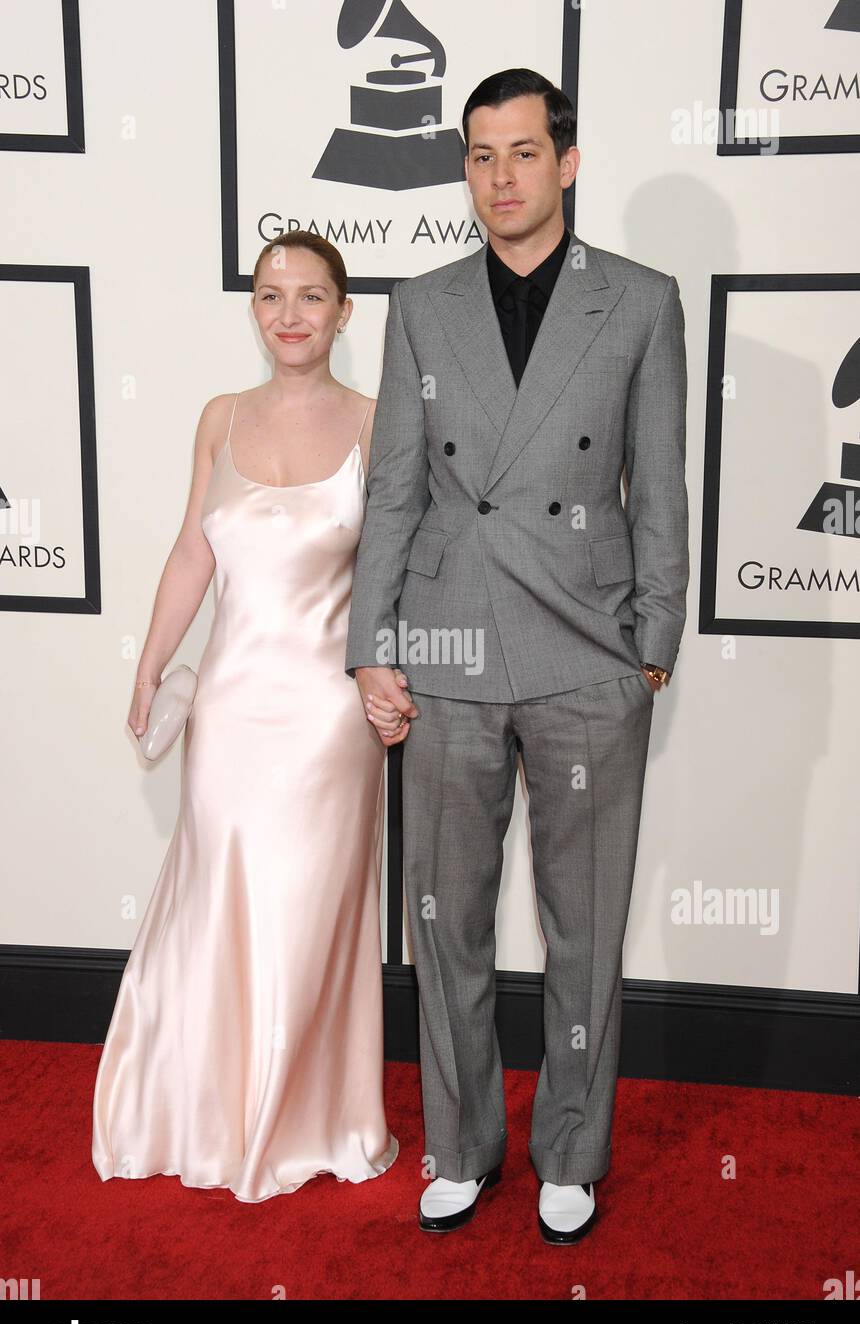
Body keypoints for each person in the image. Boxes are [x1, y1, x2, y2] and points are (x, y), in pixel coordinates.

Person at [345, 69, 688, 1242]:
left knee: (583, 923)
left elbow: (658, 486)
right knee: (445, 918)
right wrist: (370, 643)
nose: (501, 177)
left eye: (524, 152)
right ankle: (460, 1141)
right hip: (442, 645)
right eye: (481, 156)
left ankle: (570, 1150)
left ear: (568, 162)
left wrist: (650, 643)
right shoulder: (423, 301)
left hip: (588, 648)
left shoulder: (639, 301)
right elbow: (391, 485)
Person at [92, 230, 401, 1201]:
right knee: (220, 897)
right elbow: (195, 552)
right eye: (272, 295)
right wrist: (150, 663)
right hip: (227, 709)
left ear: (344, 313)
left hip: (326, 717)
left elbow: (399, 570)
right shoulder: (219, 417)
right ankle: (211, 1109)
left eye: (312, 296)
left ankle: (309, 1116)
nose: (291, 313)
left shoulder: (375, 421)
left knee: (309, 911)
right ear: (254, 309)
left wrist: (394, 672)